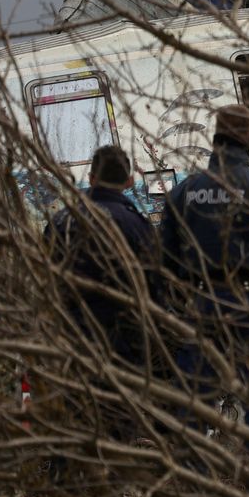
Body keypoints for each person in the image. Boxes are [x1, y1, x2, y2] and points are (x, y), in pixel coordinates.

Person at [161, 105, 249, 431]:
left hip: (202, 303)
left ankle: (195, 468)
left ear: (215, 140)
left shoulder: (185, 190)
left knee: (196, 395)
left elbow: (164, 256)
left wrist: (181, 294)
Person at [43, 144, 160, 366]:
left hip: (69, 341)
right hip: (121, 346)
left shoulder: (58, 221)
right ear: (129, 182)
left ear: (92, 177)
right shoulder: (136, 225)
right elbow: (154, 287)